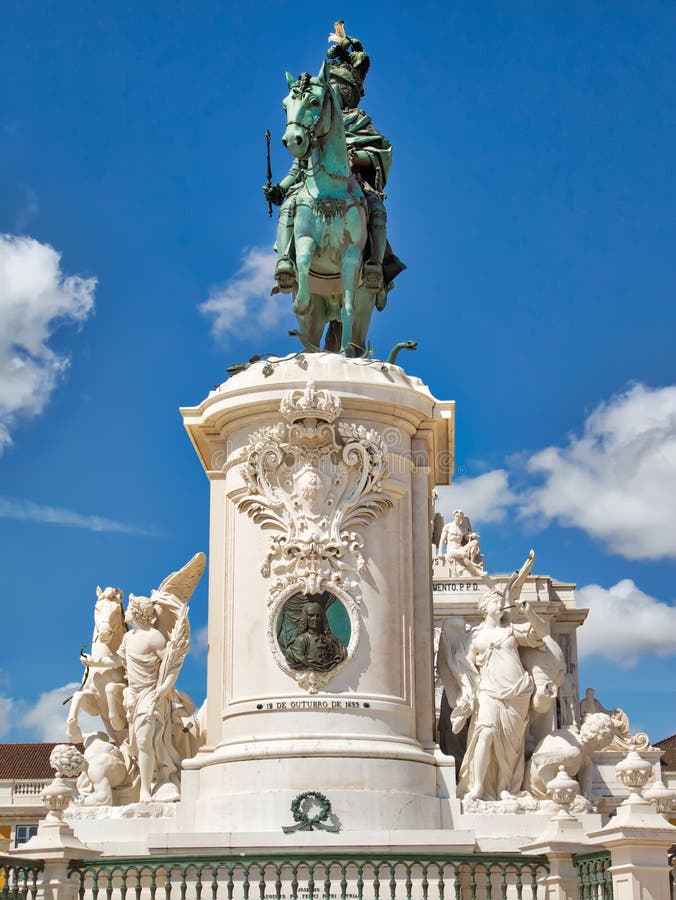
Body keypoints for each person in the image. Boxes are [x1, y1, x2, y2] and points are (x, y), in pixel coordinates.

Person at [264, 28, 404, 300]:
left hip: (356, 184)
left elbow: (380, 152)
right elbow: (298, 167)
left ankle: (374, 264)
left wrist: (356, 158)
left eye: (341, 89)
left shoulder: (360, 121)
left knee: (375, 207)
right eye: (333, 89)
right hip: (314, 184)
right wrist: (280, 189)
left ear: (350, 92)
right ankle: (284, 261)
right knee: (291, 206)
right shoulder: (317, 128)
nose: (337, 93)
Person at [457, 589, 548, 801]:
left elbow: (541, 633)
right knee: (485, 733)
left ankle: (503, 788)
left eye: (501, 602)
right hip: (488, 690)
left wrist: (530, 613)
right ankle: (477, 787)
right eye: (495, 602)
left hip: (517, 691)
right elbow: (465, 666)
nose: (500, 605)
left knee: (511, 746)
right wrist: (467, 691)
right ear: (484, 607)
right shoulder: (475, 636)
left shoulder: (511, 630)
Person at [119, 595, 182, 802]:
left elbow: (172, 664)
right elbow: (116, 660)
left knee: (145, 740)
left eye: (128, 608)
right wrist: (95, 662)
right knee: (138, 744)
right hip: (134, 697)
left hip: (151, 695)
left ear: (137, 612)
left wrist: (164, 689)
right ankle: (150, 781)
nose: (124, 612)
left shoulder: (154, 637)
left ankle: (145, 790)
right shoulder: (128, 638)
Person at [284, 601, 347, 672]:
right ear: (306, 618)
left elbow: (340, 654)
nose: (315, 618)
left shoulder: (330, 640)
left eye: (318, 615)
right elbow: (296, 658)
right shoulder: (302, 639)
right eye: (311, 615)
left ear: (322, 618)